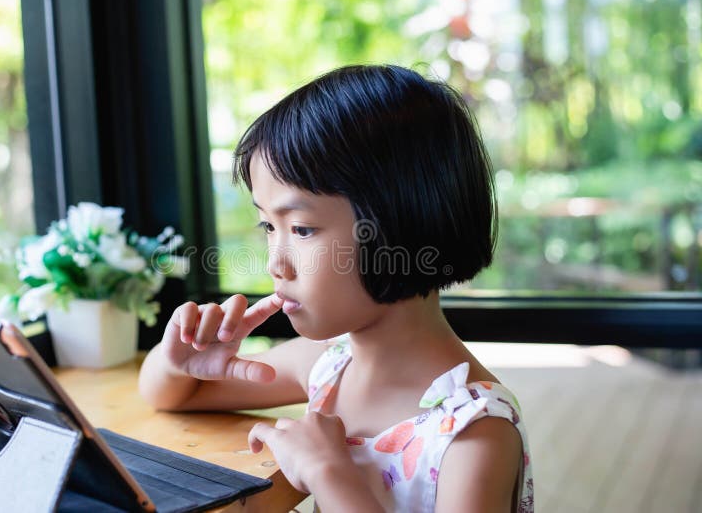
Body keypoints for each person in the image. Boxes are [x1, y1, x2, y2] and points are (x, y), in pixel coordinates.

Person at [138, 64, 534, 512]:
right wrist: (181, 362)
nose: (275, 261)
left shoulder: (474, 433)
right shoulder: (329, 365)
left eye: (302, 229)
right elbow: (171, 395)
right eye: (269, 225)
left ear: (400, 224)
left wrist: (330, 476)